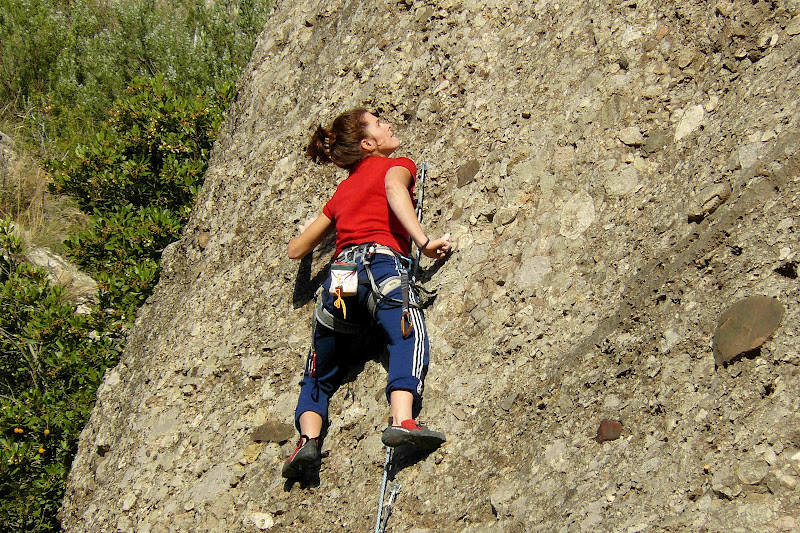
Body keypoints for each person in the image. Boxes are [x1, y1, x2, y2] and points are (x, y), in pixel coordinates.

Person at [282, 108, 452, 479]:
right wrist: (423, 242)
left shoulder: (342, 191)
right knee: (406, 335)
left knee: (318, 372)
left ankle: (308, 441)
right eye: (379, 122)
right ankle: (403, 420)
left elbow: (297, 249)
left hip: (342, 277)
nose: (389, 124)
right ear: (368, 143)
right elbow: (394, 189)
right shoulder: (396, 164)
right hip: (380, 265)